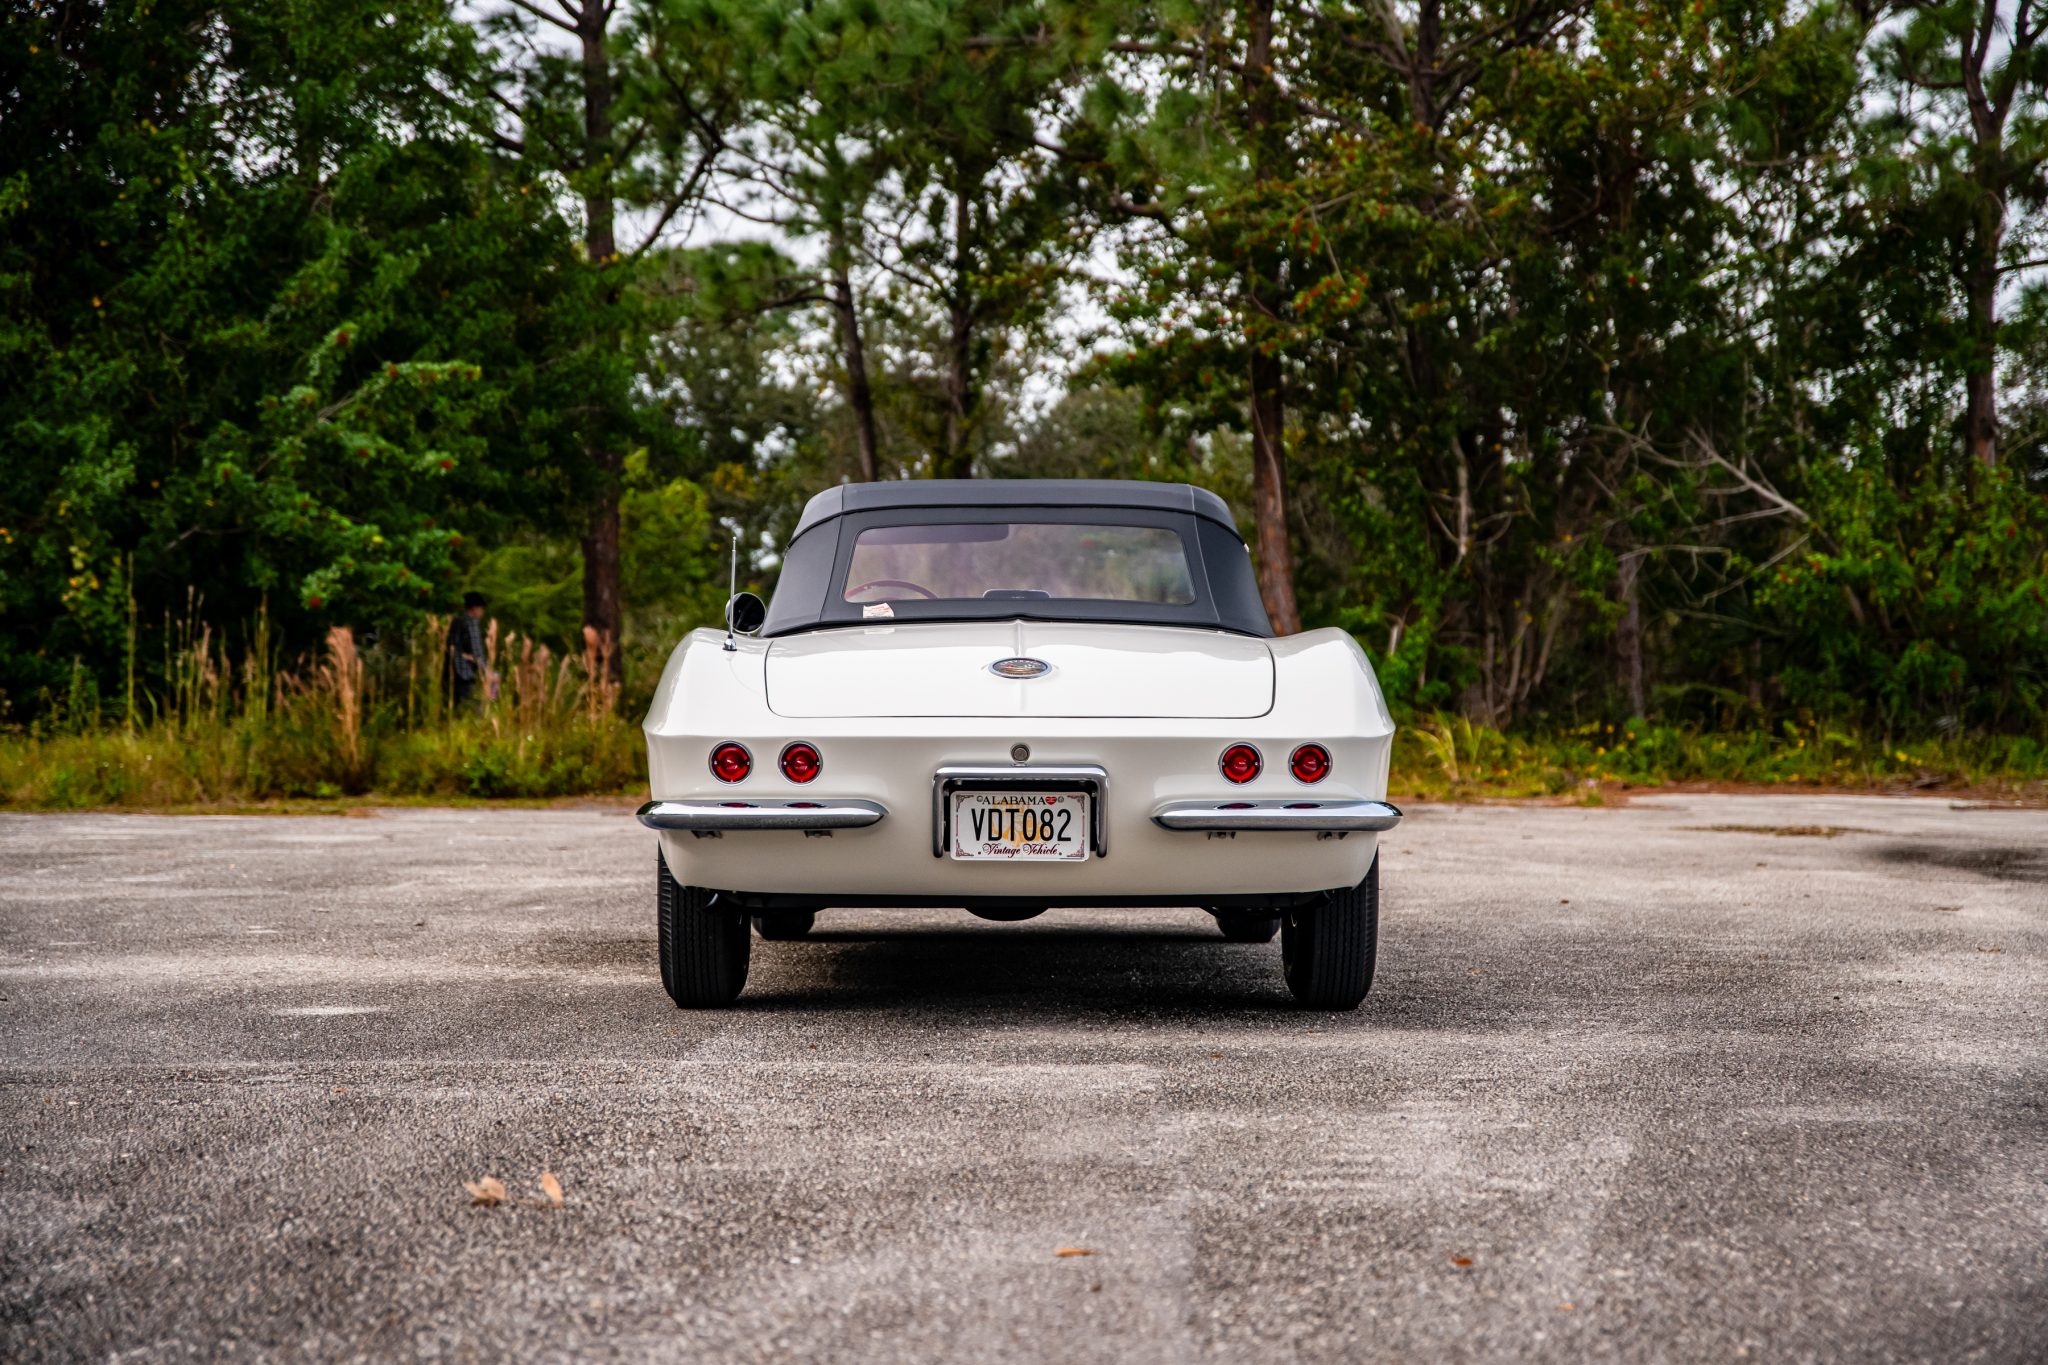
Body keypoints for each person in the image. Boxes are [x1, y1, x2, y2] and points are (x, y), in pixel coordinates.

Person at [446, 592, 488, 709]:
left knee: (454, 708)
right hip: (465, 674)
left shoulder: (456, 621)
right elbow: (477, 652)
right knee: (474, 709)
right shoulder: (472, 624)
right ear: (475, 609)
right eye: (481, 609)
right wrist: (487, 671)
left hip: (450, 673)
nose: (482, 612)